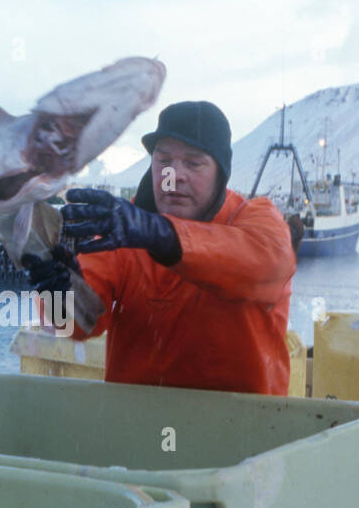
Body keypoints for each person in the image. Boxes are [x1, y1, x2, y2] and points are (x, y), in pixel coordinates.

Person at [24, 100, 296, 395]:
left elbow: (268, 267)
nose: (174, 176)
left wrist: (160, 235)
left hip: (247, 430)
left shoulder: (255, 219)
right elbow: (79, 325)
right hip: (138, 426)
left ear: (221, 173)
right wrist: (58, 295)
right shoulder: (123, 229)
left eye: (193, 163)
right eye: (163, 160)